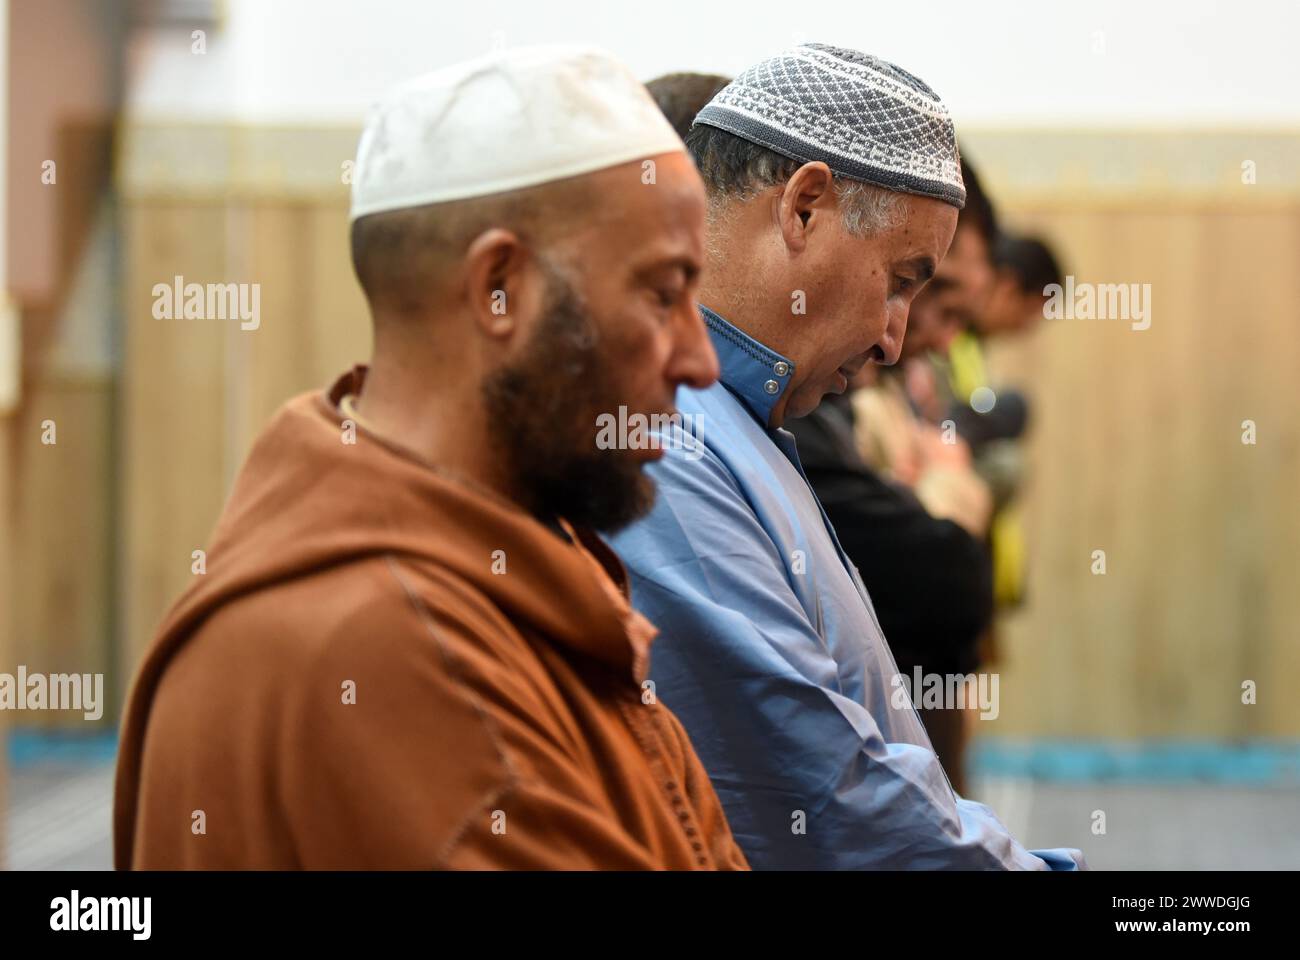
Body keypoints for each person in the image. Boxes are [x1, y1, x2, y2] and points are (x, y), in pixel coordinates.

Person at [114, 46, 748, 871]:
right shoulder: (397, 656)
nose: (700, 362)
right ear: (500, 289)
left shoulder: (498, 570)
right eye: (663, 294)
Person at [610, 43, 1084, 869]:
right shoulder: (670, 437)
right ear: (803, 208)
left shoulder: (747, 419)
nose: (897, 342)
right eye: (901, 281)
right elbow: (830, 801)